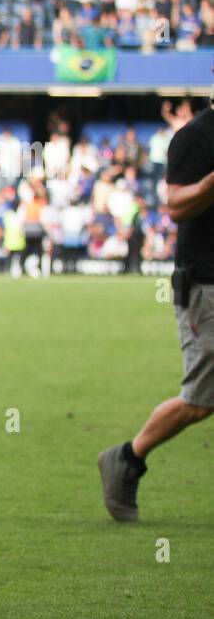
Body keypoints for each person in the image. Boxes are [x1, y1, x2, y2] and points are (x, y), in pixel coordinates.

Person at [98, 98, 214, 521]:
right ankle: (128, 457)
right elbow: (177, 205)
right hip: (205, 283)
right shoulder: (196, 137)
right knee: (201, 400)